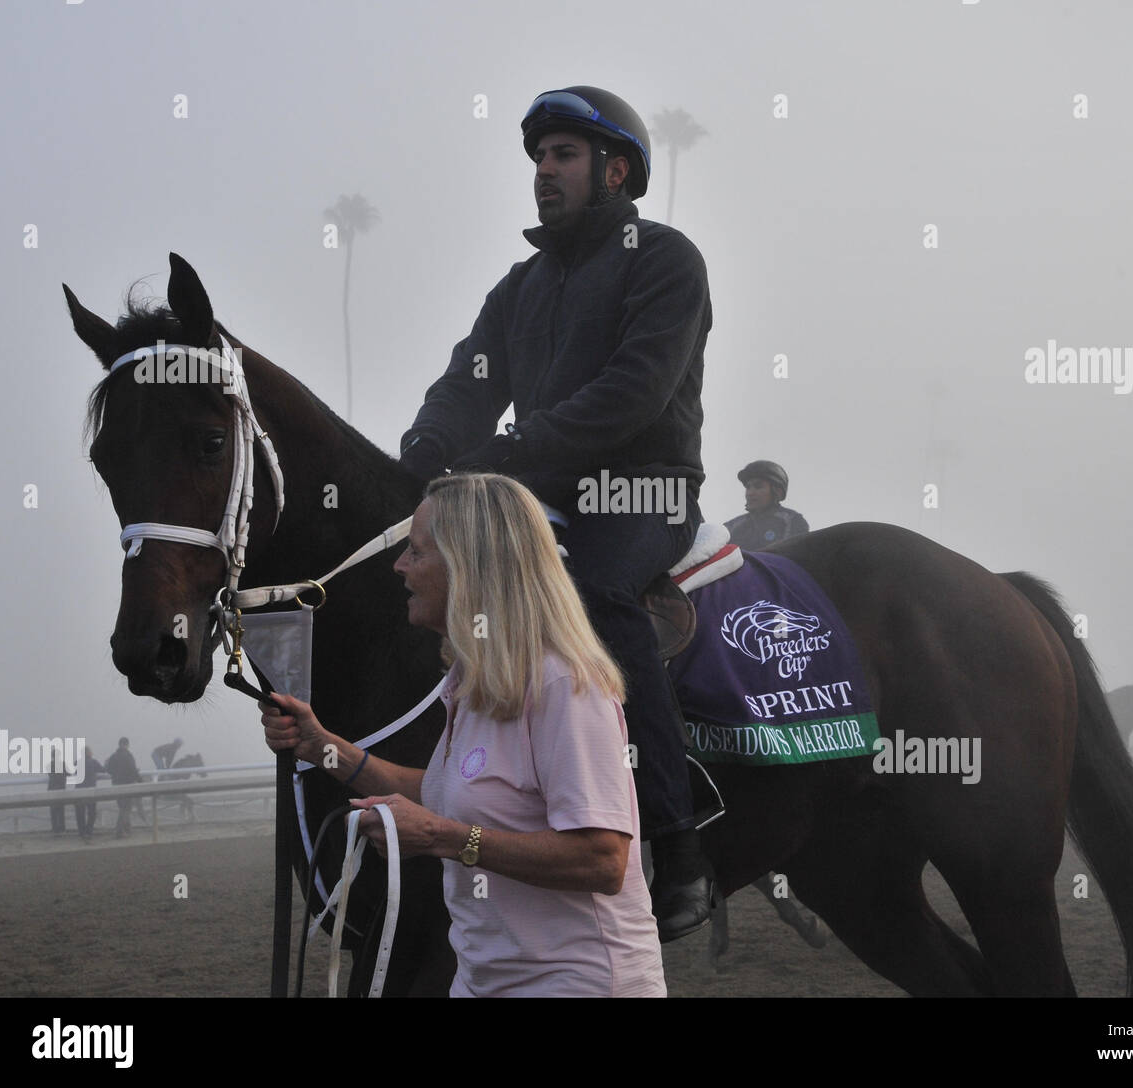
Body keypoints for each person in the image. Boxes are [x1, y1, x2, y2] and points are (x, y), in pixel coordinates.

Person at [396, 87, 713, 939]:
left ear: (616, 172)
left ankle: (678, 843)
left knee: (600, 593)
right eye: (539, 156)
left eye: (563, 155)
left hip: (642, 488)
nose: (544, 170)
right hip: (538, 492)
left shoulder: (666, 259)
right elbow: (469, 384)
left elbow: (632, 393)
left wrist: (511, 449)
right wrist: (424, 449)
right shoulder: (521, 285)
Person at [261, 474, 665, 997]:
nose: (399, 566)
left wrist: (439, 837)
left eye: (416, 552)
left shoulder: (563, 684)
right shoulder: (469, 682)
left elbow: (603, 859)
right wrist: (324, 749)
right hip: (481, 982)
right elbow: (446, 790)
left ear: (471, 566)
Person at [724, 460, 810, 550]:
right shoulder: (731, 526)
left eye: (758, 486)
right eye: (748, 487)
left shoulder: (792, 520)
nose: (750, 493)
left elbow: (794, 556)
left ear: (777, 491)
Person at [104, 737, 140, 838]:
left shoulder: (113, 756)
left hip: (116, 785)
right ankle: (120, 831)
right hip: (127, 785)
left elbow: (109, 770)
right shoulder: (128, 756)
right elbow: (133, 770)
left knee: (122, 807)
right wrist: (141, 781)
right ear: (126, 744)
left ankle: (126, 829)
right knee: (126, 808)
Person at [74, 746, 105, 841]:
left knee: (80, 812)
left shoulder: (77, 762)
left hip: (79, 790)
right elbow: (103, 770)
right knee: (92, 812)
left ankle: (82, 832)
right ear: (88, 753)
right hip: (91, 790)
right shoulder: (93, 762)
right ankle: (89, 830)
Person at [46, 753, 68, 833]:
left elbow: (50, 774)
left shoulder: (49, 765)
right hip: (61, 788)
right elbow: (68, 773)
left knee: (53, 810)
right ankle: (62, 828)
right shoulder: (62, 764)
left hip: (52, 788)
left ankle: (55, 828)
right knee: (61, 809)